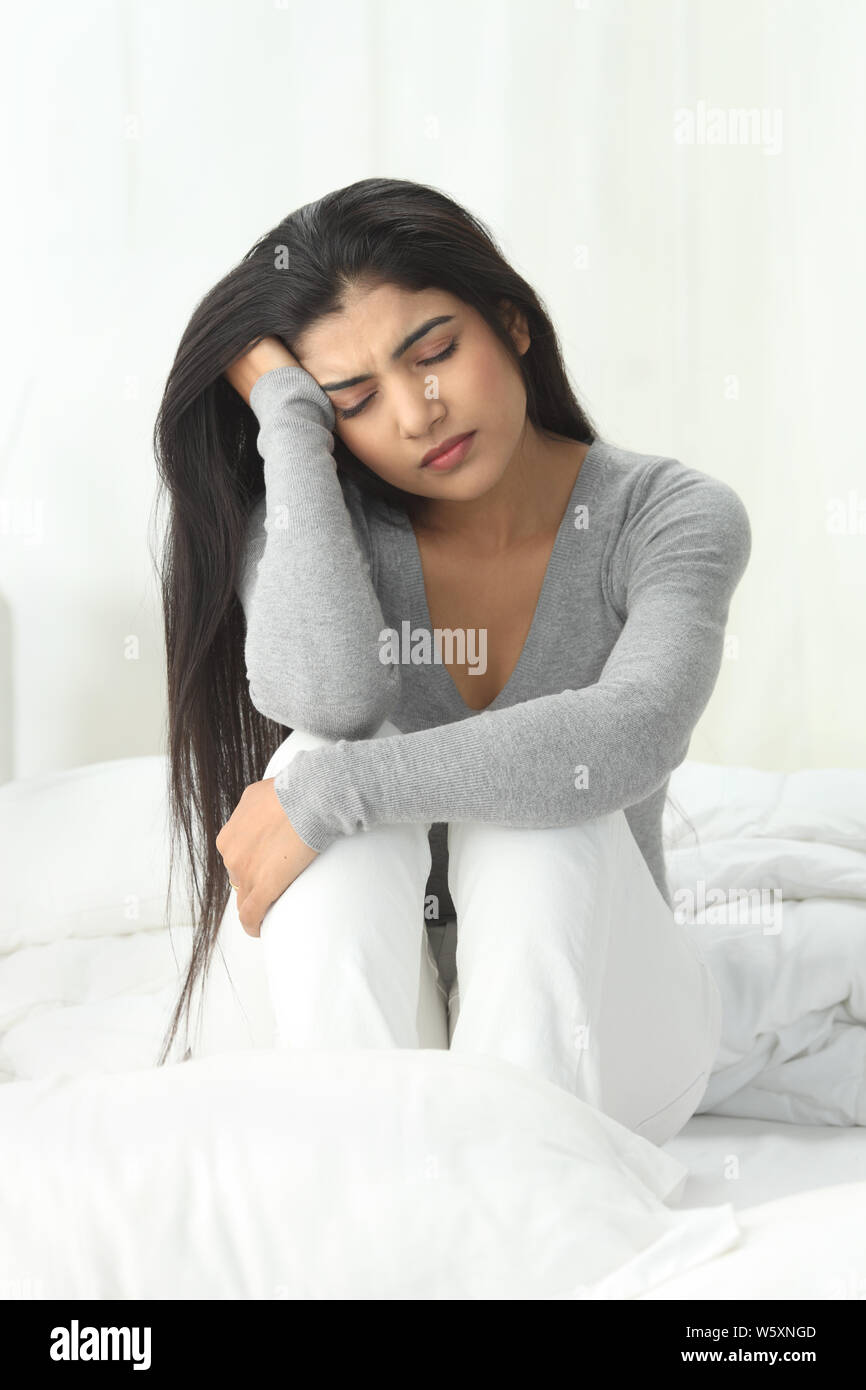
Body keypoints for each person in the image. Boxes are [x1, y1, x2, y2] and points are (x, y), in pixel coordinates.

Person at [153, 178, 751, 1146]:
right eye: (350, 397)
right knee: (313, 752)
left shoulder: (666, 514)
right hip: (345, 1036)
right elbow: (331, 699)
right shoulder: (314, 520)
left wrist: (333, 789)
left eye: (432, 352)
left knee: (546, 811)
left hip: (606, 1039)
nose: (415, 411)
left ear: (509, 322)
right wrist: (288, 425)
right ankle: (374, 1182)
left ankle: (509, 1177)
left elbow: (629, 732)